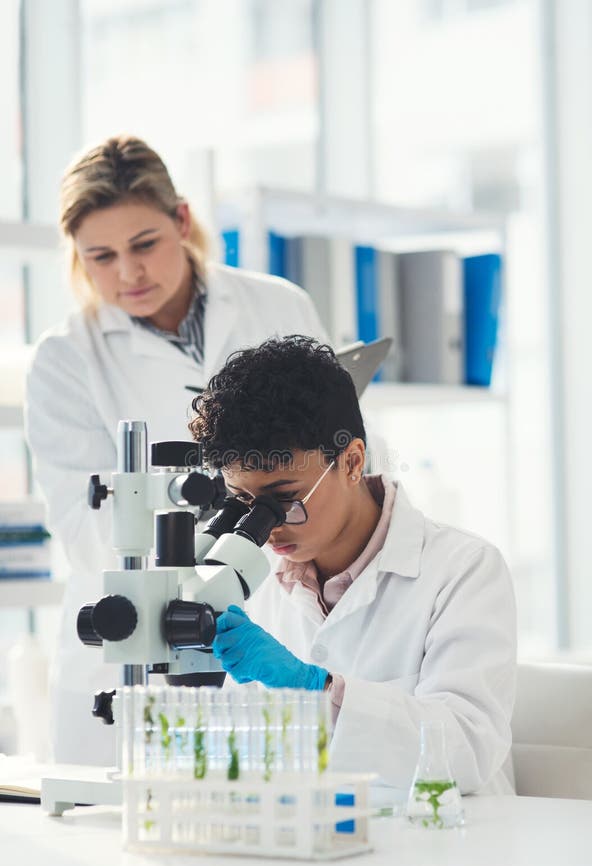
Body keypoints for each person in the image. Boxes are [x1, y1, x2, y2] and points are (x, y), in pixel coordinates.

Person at [25, 136, 326, 766]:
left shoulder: (279, 304)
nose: (128, 274)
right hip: (133, 653)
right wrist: (210, 512)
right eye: (101, 256)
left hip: (266, 620)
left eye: (144, 245)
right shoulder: (64, 359)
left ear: (182, 221)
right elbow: (86, 533)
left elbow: (336, 460)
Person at [190, 336, 517, 795]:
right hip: (305, 828)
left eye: (284, 499)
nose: (269, 527)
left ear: (352, 461)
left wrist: (318, 689)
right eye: (243, 502)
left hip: (444, 831)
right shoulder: (253, 579)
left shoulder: (464, 570)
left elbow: (465, 751)